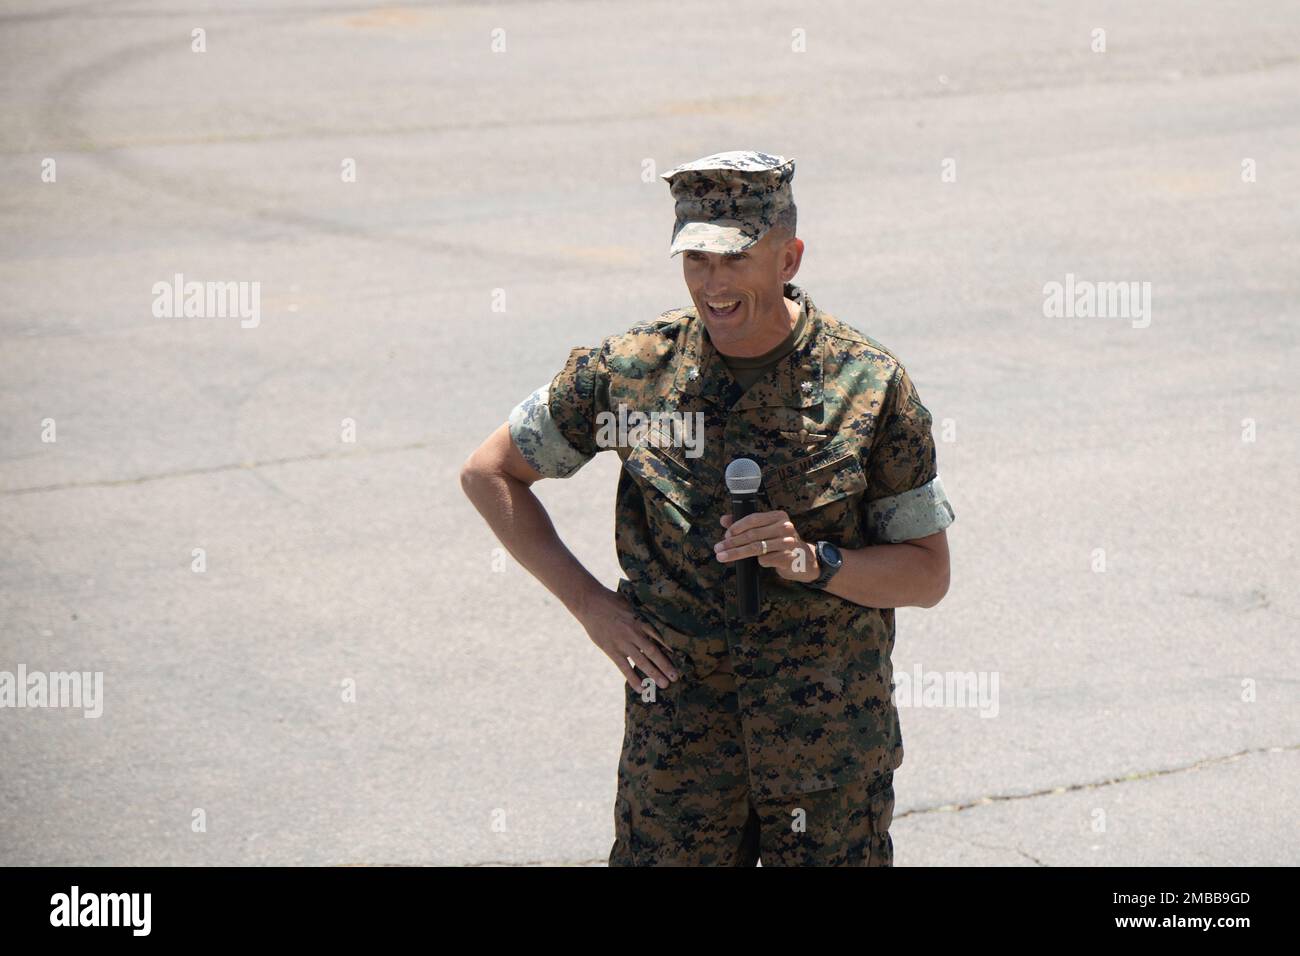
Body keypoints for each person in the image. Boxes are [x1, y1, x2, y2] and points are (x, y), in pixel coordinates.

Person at [460, 149, 955, 866]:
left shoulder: (867, 385)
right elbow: (490, 473)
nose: (713, 284)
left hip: (825, 758)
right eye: (695, 259)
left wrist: (812, 561)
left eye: (735, 259)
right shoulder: (633, 373)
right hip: (681, 759)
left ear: (789, 258)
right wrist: (592, 607)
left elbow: (926, 575)